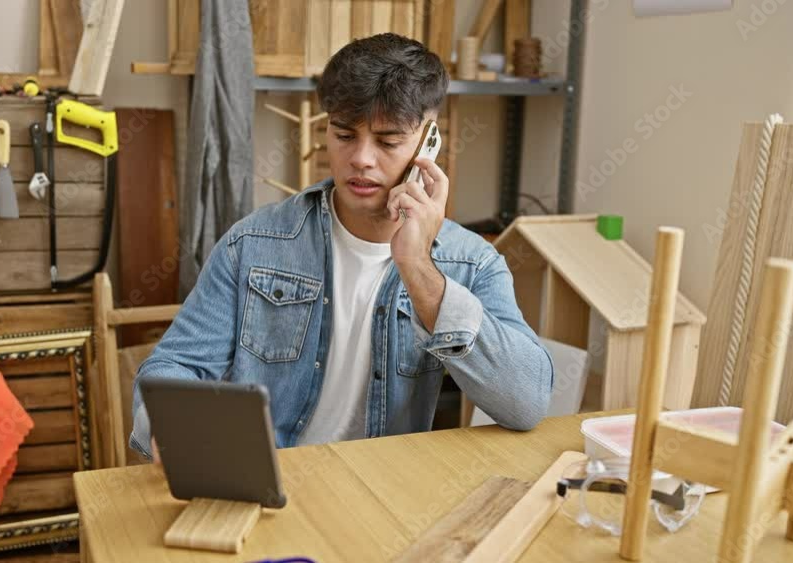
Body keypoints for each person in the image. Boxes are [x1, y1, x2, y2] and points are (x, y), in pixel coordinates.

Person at [130, 33, 553, 460]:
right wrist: (167, 425)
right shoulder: (252, 245)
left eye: (388, 141)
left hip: (379, 495)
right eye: (344, 134)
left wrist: (418, 267)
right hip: (273, 483)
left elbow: (526, 402)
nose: (361, 159)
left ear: (429, 143)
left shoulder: (471, 263)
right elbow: (173, 368)